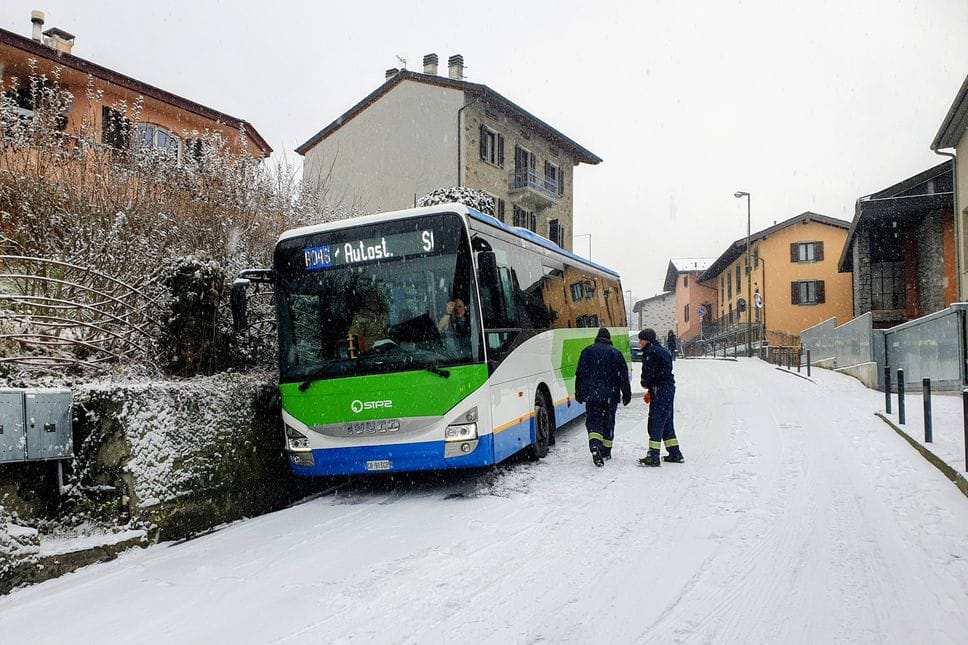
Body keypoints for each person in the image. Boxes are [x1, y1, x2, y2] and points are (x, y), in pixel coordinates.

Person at [575, 327, 632, 467]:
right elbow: (623, 376)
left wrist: (579, 392)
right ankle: (606, 451)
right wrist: (626, 394)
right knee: (608, 422)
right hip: (610, 396)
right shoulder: (615, 353)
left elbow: (580, 374)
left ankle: (595, 446)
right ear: (609, 338)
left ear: (597, 337)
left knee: (593, 421)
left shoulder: (587, 352)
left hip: (592, 396)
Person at [638, 328, 683, 466]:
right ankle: (675, 453)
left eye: (641, 339)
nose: (640, 342)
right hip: (668, 388)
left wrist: (645, 383)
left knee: (656, 421)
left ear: (648, 339)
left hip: (660, 389)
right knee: (667, 420)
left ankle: (654, 456)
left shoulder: (650, 353)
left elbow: (649, 372)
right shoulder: (663, 350)